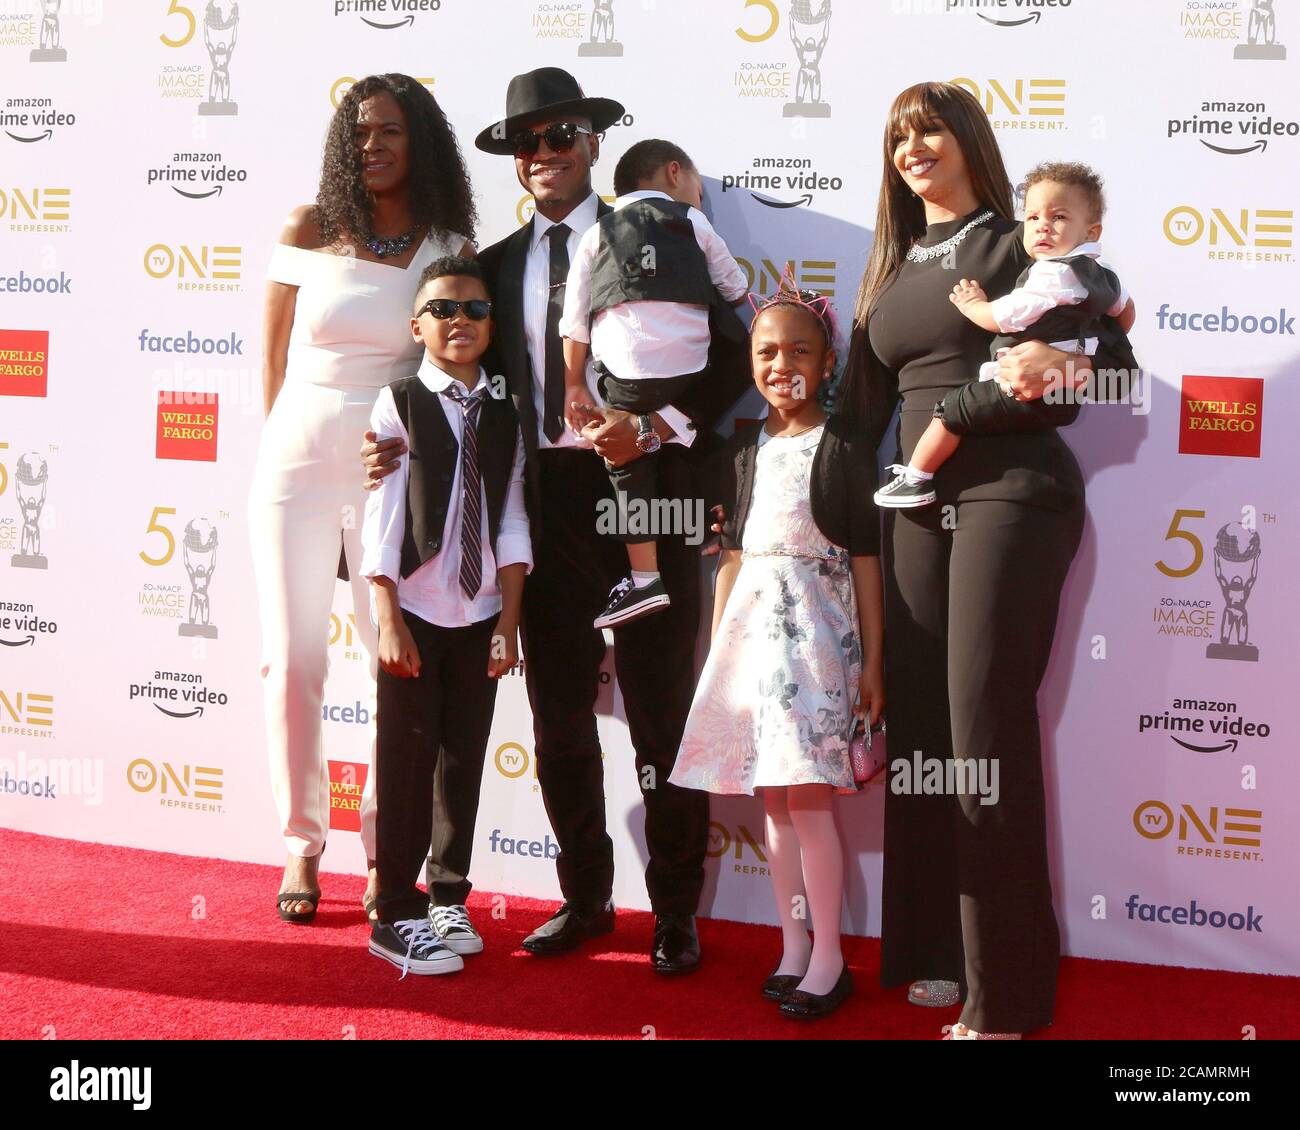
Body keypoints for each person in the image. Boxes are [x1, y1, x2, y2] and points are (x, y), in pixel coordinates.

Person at [364, 67, 751, 973]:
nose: (545, 153)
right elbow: (444, 378)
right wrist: (385, 448)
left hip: (651, 491)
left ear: (593, 144)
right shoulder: (493, 267)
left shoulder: (655, 226)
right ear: (514, 160)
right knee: (560, 718)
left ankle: (676, 912)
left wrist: (657, 425)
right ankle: (586, 899)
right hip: (543, 508)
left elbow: (738, 353)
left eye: (562, 135)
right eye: (528, 142)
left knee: (661, 711)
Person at [844, 81, 1138, 1038]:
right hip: (913, 506)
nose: (913, 147)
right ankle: (939, 952)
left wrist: (1069, 365)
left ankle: (1004, 997)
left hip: (1011, 491)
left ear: (969, 139)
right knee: (927, 736)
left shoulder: (1022, 241)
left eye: (929, 129)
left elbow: (1117, 371)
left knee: (981, 730)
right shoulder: (889, 267)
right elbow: (856, 416)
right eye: (899, 135)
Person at [251, 73, 476, 924]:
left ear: (421, 141)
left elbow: (448, 364)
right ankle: (301, 842)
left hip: (389, 476)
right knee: (292, 662)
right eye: (358, 132)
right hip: (293, 468)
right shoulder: (306, 227)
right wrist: (279, 440)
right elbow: (271, 353)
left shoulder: (448, 244)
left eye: (388, 130)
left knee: (394, 664)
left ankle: (388, 847)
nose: (371, 145)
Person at [670, 286, 884, 1020]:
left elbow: (865, 562)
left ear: (827, 363)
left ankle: (830, 957)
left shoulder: (846, 448)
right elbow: (730, 558)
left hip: (819, 646)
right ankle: (792, 944)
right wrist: (716, 657)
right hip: (752, 647)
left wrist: (873, 664)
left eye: (799, 351)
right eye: (766, 352)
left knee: (810, 802)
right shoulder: (742, 450)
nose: (781, 364)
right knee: (775, 804)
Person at [361, 257, 529, 975]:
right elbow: (383, 515)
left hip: (481, 611)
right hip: (417, 609)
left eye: (475, 310)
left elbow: (512, 519)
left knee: (463, 758)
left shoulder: (507, 412)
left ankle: (447, 896)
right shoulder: (399, 401)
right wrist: (387, 617)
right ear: (416, 326)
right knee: (406, 760)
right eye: (443, 309)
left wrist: (508, 621)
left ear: (493, 324)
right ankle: (394, 911)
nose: (460, 321)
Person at [559, 138, 749, 628]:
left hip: (625, 381)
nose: (700, 201)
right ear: (674, 173)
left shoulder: (596, 233)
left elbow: (574, 322)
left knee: (624, 464)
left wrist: (573, 384)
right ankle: (711, 531)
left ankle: (645, 578)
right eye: (699, 190)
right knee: (701, 442)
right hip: (691, 373)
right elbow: (735, 287)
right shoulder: (694, 222)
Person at [874, 161, 1135, 508]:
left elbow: (1006, 317)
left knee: (950, 411)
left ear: (1091, 232)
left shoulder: (1052, 273)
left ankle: (916, 478)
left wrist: (974, 306)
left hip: (1020, 394)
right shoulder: (1103, 274)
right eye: (1033, 217)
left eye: (1058, 217)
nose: (1043, 227)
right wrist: (1087, 340)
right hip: (1058, 400)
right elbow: (1124, 313)